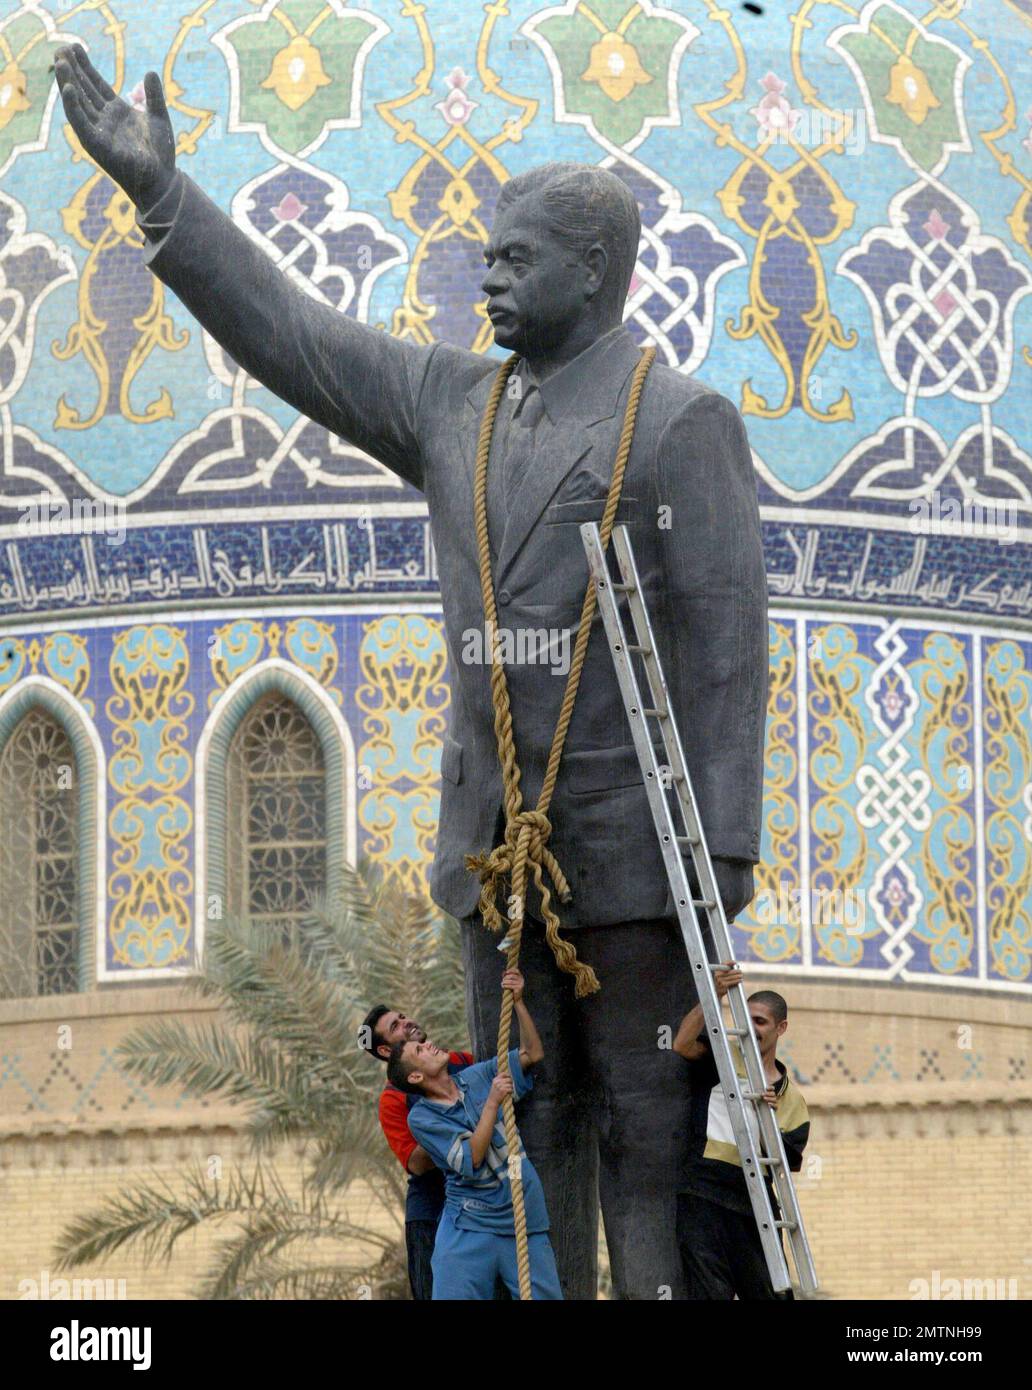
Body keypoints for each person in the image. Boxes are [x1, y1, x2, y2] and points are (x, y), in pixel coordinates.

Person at [53, 45, 769, 1297]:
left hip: (638, 864)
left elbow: (725, 648)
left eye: (516, 259)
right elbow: (299, 338)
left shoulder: (680, 423)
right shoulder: (455, 408)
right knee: (529, 1135)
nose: (486, 277)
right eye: (484, 256)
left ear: (593, 273)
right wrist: (164, 199)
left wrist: (718, 855)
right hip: (499, 865)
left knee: (643, 1140)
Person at [386, 969, 562, 1300]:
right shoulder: (422, 1118)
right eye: (419, 1051)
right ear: (416, 1077)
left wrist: (519, 1002)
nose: (428, 1044)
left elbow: (531, 1054)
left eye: (422, 1043)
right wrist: (493, 1102)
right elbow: (471, 1159)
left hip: (522, 1217)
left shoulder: (477, 1075)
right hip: (469, 1226)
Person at [672, 965, 810, 1300]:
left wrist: (768, 1118)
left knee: (768, 1291)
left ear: (781, 1028)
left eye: (761, 1021)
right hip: (703, 1189)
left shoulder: (792, 1099)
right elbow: (682, 1043)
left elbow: (785, 1162)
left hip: (754, 1201)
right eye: (747, 1018)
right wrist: (714, 993)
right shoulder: (722, 1056)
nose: (752, 1027)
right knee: (708, 1291)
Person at [360, 1004, 472, 1300]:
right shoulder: (392, 1099)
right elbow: (415, 1163)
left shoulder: (459, 1061)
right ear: (386, 1052)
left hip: (481, 1206)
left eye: (402, 1017)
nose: (406, 1022)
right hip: (431, 1213)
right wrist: (450, 1130)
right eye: (395, 1027)